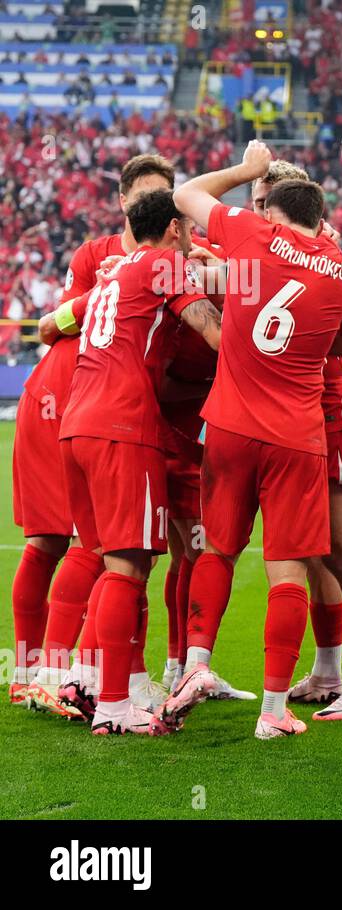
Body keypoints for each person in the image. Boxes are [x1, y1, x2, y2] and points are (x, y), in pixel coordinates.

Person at [161, 141, 342, 739]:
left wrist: (248, 168)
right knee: (288, 572)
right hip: (297, 436)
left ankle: (196, 665)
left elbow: (185, 194)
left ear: (271, 209)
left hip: (227, 425)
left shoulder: (249, 233)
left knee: (218, 552)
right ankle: (273, 712)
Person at [52, 190, 222, 734]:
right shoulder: (164, 263)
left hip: (77, 422)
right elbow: (211, 331)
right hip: (123, 426)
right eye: (189, 225)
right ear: (174, 227)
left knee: (110, 559)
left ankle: (82, 675)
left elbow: (52, 324)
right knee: (131, 566)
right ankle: (114, 709)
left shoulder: (115, 270)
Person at [16, 155, 170, 716]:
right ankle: (46, 673)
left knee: (107, 549)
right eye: (147, 195)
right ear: (124, 202)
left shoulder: (168, 259)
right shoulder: (99, 257)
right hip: (67, 402)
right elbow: (48, 325)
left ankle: (98, 675)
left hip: (91, 406)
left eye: (166, 196)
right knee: (61, 543)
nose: (158, 205)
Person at [246, 161, 342, 722]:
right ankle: (330, 672)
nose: (256, 213)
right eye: (254, 203)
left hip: (335, 411)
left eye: (263, 203)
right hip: (309, 414)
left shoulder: (313, 253)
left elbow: (341, 339)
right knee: (318, 551)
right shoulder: (290, 250)